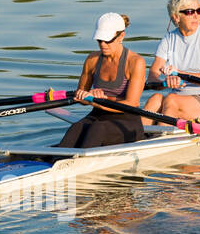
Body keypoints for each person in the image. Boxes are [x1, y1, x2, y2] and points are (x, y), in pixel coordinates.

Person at [57, 12, 147, 148]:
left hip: (127, 122)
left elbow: (131, 104)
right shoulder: (92, 60)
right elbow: (81, 96)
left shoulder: (135, 62)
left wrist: (99, 101)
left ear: (121, 36)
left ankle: (77, 163)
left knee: (98, 129)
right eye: (100, 40)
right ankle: (50, 161)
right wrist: (86, 96)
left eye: (107, 40)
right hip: (97, 117)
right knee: (77, 127)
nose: (103, 44)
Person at [144, 0, 200, 122]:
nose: (195, 16)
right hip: (178, 99)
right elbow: (152, 76)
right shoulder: (168, 39)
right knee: (155, 99)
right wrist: (165, 83)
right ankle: (138, 137)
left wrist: (180, 74)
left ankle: (162, 136)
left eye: (198, 11)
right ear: (176, 17)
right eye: (189, 12)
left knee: (171, 100)